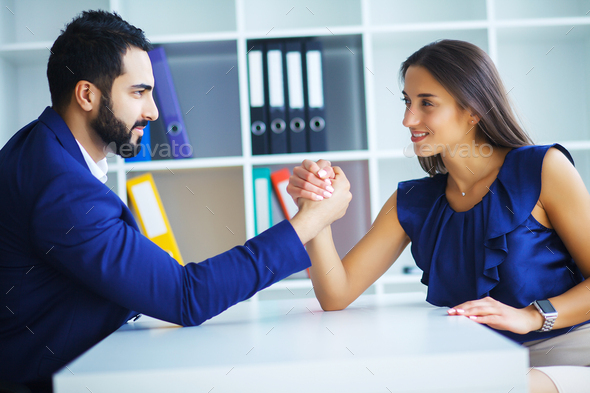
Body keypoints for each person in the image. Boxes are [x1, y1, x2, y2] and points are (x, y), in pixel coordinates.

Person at [0, 10, 352, 392]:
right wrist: (310, 221)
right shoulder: (62, 189)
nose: (152, 111)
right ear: (87, 94)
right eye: (139, 92)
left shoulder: (39, 145)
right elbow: (188, 296)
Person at [288, 39, 590, 393]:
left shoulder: (542, 169)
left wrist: (531, 316)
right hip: (485, 365)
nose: (407, 119)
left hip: (569, 350)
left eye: (426, 103)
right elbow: (335, 294)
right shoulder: (414, 201)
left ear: (473, 110)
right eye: (407, 102)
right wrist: (315, 214)